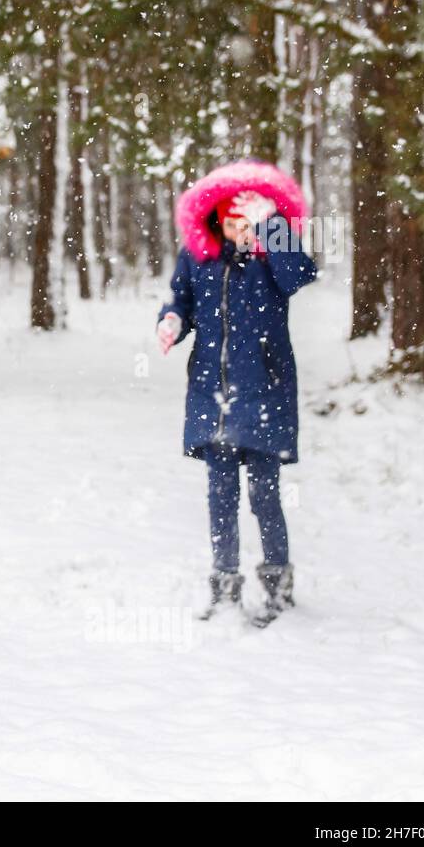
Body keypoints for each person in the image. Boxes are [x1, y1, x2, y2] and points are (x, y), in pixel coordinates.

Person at [156, 160, 317, 626]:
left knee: (265, 497)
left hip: (264, 396)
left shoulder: (274, 259)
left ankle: (277, 588)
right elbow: (179, 300)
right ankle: (224, 586)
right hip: (212, 396)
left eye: (246, 222)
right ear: (215, 222)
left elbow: (301, 274)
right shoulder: (198, 259)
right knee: (220, 496)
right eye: (229, 222)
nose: (237, 231)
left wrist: (272, 224)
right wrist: (171, 322)